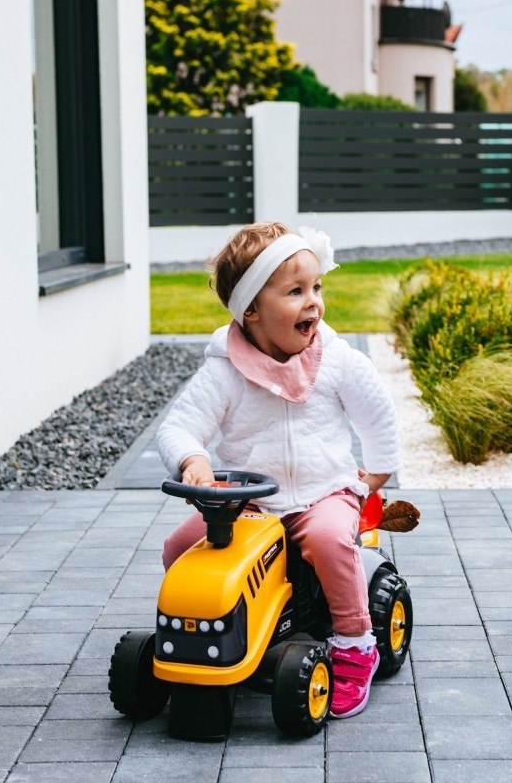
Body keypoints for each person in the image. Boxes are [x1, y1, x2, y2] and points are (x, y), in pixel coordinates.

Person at [156, 221, 401, 716]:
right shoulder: (224, 370)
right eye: (295, 291)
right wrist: (194, 460)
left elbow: (378, 414)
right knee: (181, 545)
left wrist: (374, 476)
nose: (313, 302)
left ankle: (356, 645)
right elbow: (178, 426)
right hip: (250, 500)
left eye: (316, 287)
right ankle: (207, 627)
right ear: (251, 309)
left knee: (331, 541)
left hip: (323, 491)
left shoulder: (333, 359)